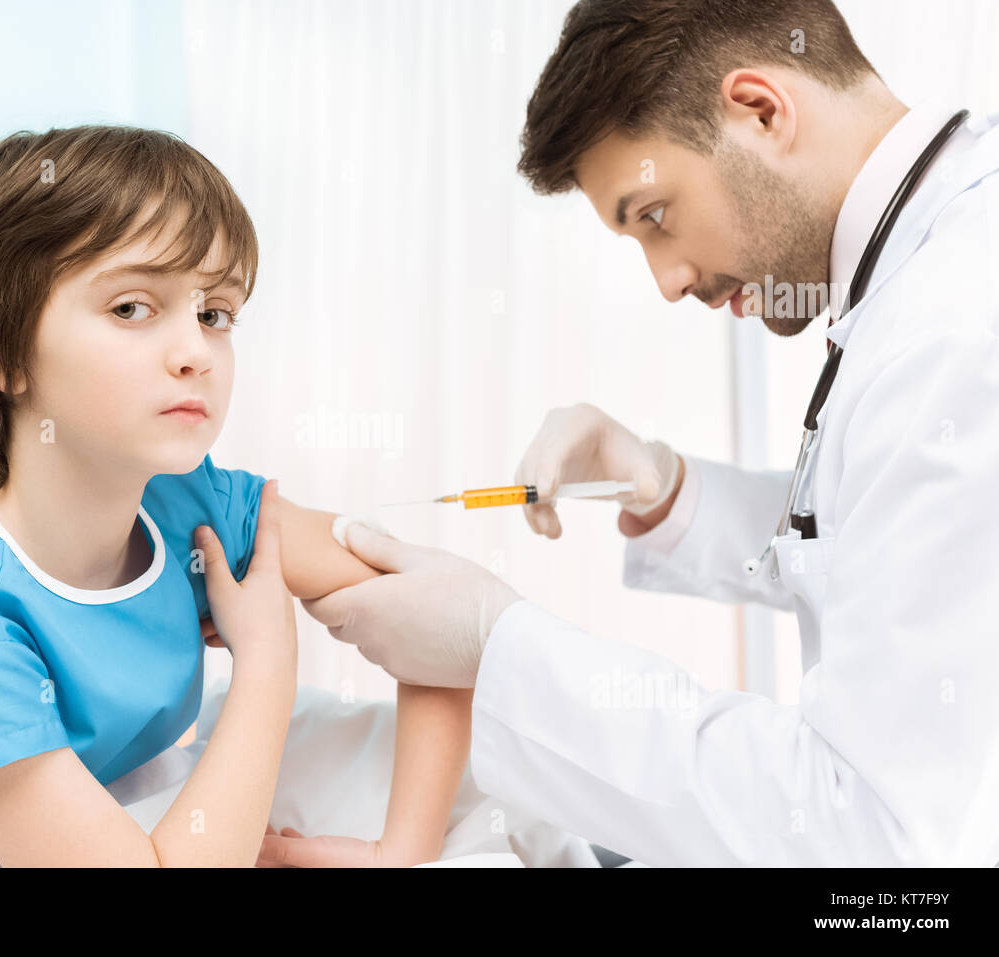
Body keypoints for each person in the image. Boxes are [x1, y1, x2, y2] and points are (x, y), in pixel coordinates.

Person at [271, 0, 999, 866]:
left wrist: (499, 646)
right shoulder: (929, 270)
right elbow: (889, 544)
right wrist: (663, 485)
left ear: (762, 111)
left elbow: (866, 838)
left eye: (653, 214)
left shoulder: (955, 334)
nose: (667, 279)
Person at [0, 126, 474, 867]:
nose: (195, 352)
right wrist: (266, 661)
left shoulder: (183, 503)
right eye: (133, 308)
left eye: (215, 314)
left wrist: (403, 849)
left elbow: (433, 618)